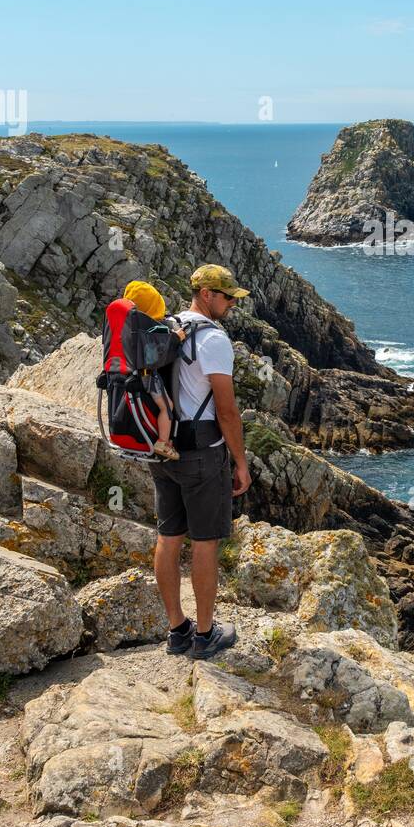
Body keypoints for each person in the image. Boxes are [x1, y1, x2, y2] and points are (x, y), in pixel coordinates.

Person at [151, 264, 252, 660]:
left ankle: (177, 629)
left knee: (168, 537)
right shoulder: (213, 340)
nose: (230, 304)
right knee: (205, 542)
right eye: (226, 296)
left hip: (162, 450)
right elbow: (227, 412)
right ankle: (205, 634)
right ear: (206, 293)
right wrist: (240, 462)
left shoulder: (168, 328)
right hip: (202, 454)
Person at [121, 279, 185, 460]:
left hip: (128, 373)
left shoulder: (128, 325)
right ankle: (163, 442)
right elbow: (153, 356)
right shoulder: (147, 329)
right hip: (147, 377)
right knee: (168, 407)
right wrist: (176, 338)